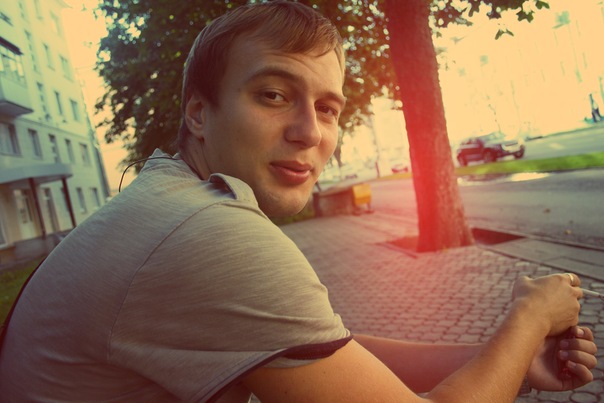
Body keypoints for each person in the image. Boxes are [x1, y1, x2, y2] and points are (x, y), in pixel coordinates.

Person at [0, 2, 597, 402]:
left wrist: (507, 360)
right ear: (199, 113)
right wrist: (528, 319)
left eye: (328, 108)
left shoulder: (170, 197)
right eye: (273, 94)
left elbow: (326, 352)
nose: (311, 132)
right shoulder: (206, 231)